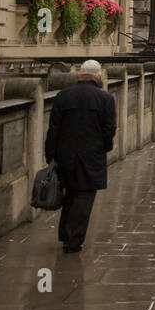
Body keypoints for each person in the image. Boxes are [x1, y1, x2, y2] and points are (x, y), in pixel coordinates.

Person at [45, 59, 116, 254]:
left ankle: (65, 233)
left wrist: (50, 155)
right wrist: (105, 147)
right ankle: (73, 240)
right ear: (98, 77)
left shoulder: (63, 96)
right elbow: (109, 129)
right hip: (91, 156)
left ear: (78, 75)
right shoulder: (106, 99)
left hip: (65, 155)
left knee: (69, 194)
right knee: (84, 197)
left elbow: (53, 129)